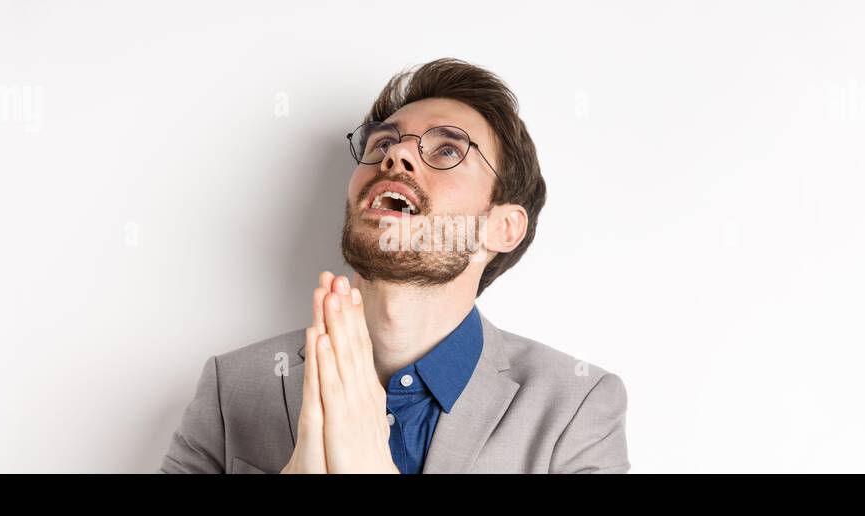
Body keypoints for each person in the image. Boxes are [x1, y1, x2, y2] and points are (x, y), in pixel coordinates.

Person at [159, 58, 629, 474]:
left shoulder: (575, 407)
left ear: (501, 228)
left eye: (447, 149)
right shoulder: (232, 385)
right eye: (382, 143)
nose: (395, 154)